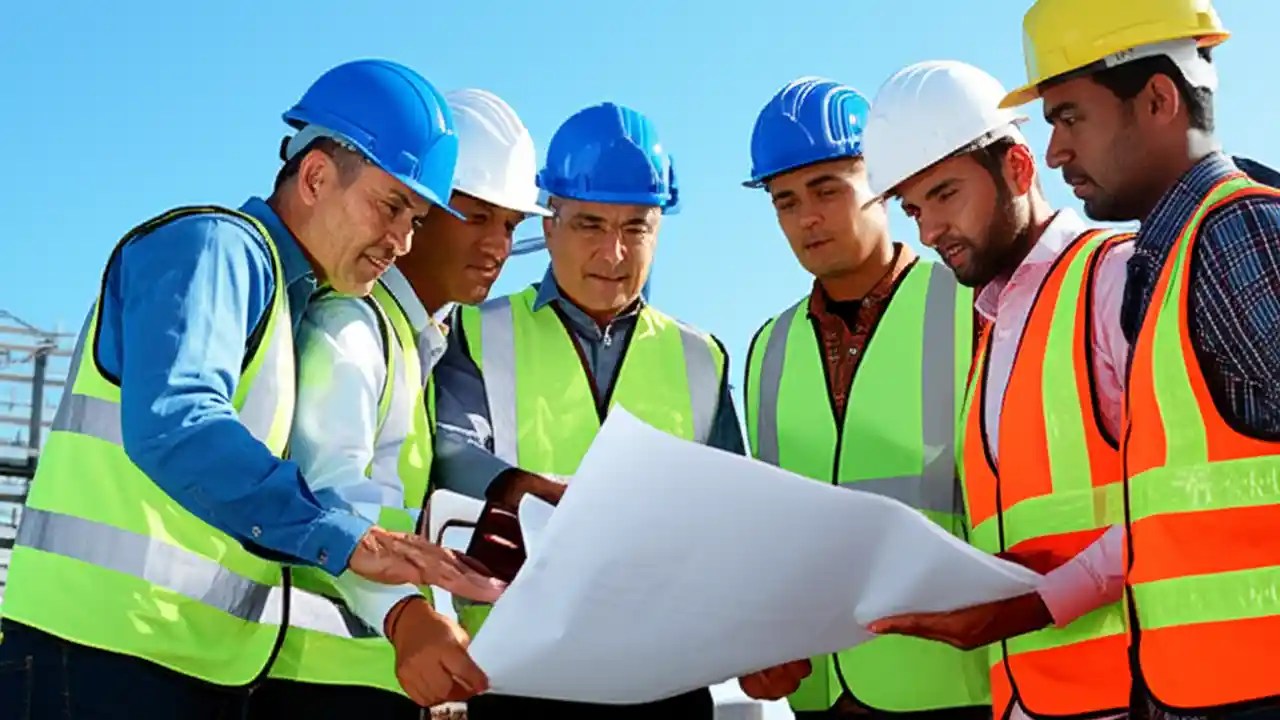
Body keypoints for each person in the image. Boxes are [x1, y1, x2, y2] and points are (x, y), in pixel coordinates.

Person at [0, 59, 502, 719]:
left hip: (184, 664)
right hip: (96, 651)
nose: (402, 242)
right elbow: (179, 422)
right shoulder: (214, 249)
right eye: (391, 207)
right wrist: (348, 537)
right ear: (316, 176)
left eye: (415, 219)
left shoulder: (294, 306)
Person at [999, 1, 1280, 717]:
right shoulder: (1170, 259)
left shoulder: (1236, 236)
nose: (1056, 151)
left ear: (1157, 98)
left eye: (1070, 117)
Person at [430, 101, 745, 719]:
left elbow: (732, 507)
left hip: (667, 679)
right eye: (590, 225)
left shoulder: (700, 356)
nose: (614, 252)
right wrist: (522, 490)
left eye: (636, 228)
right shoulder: (476, 330)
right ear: (548, 226)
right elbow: (449, 452)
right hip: (524, 674)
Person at [245, 89, 545, 719]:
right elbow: (330, 490)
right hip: (318, 683)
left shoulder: (416, 341)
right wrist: (409, 619)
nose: (497, 245)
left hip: (369, 677)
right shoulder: (351, 324)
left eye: (511, 225)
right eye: (477, 215)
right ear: (421, 205)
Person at [858, 60, 1135, 720]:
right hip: (1026, 703)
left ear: (1017, 168)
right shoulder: (991, 328)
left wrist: (1039, 601)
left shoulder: (1114, 277)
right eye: (914, 209)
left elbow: (1184, 503)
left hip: (1136, 697)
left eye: (946, 195)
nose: (927, 233)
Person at [733, 76, 990, 720]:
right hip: (819, 693)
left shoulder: (973, 307)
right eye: (785, 201)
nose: (807, 218)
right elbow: (768, 528)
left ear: (883, 185)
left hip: (954, 684)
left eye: (827, 189)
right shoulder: (768, 347)